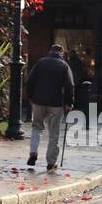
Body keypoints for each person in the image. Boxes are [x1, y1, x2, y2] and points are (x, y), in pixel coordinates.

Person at [25, 44, 74, 172]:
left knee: (36, 128)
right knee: (54, 133)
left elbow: (30, 81)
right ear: (61, 53)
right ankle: (51, 162)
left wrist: (30, 97)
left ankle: (33, 153)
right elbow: (70, 86)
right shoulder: (64, 66)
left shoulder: (41, 62)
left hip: (38, 102)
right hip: (56, 104)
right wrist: (69, 103)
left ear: (50, 51)